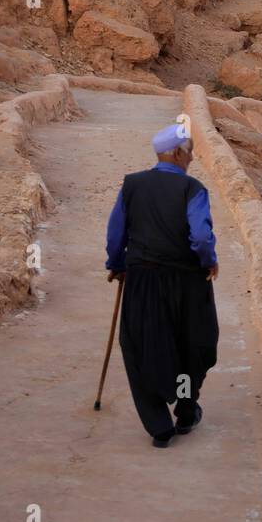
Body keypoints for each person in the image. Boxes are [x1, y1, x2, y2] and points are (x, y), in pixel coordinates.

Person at [105, 122, 219, 448]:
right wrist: (209, 260)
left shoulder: (132, 185)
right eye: (190, 153)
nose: (192, 159)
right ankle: (185, 411)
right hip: (187, 281)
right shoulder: (192, 189)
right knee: (191, 347)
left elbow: (115, 232)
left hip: (143, 280)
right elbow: (200, 236)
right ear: (178, 154)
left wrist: (117, 264)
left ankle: (159, 426)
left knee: (142, 345)